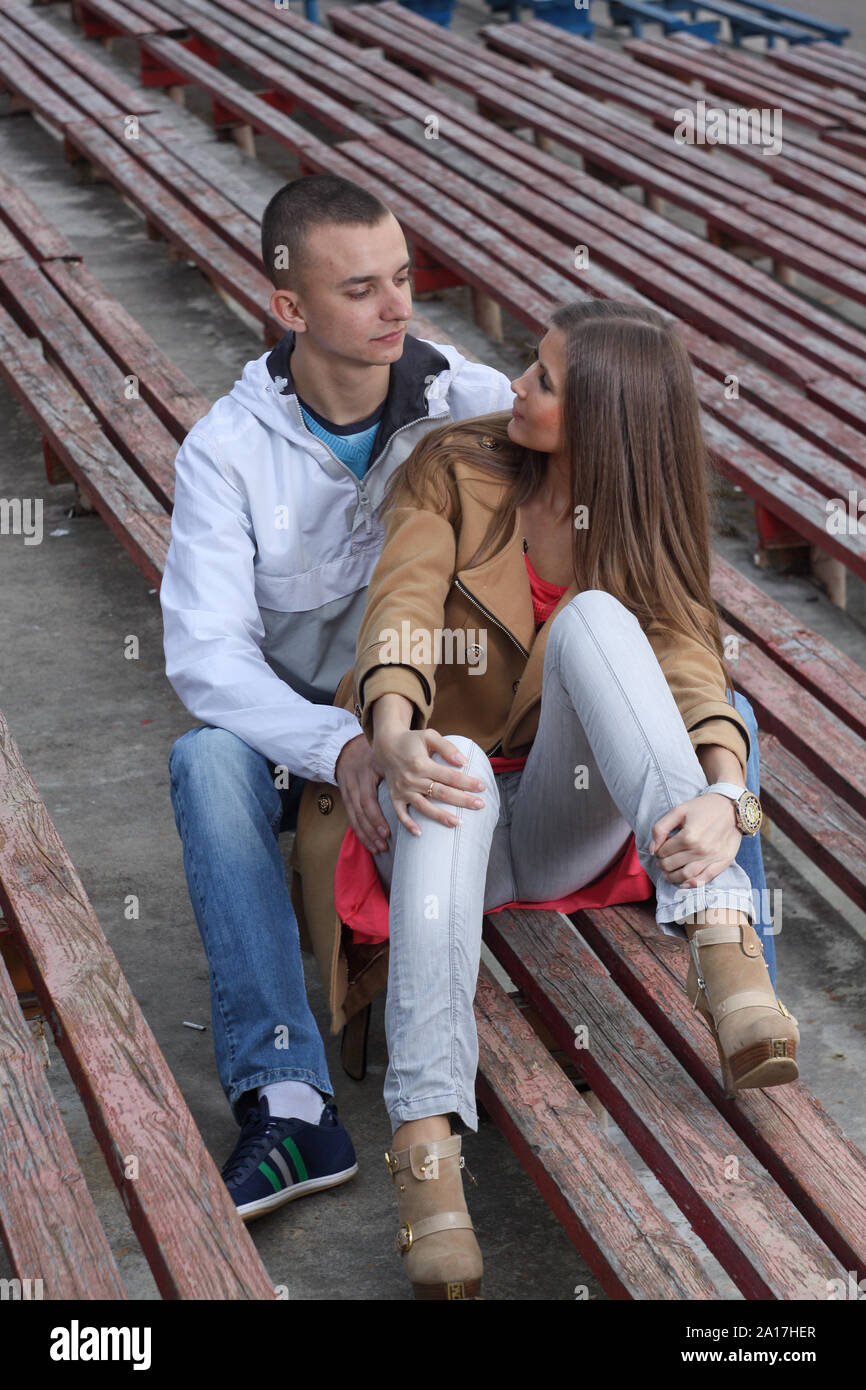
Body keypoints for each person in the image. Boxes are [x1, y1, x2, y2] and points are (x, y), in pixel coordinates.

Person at [328, 299, 800, 1299]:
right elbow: (403, 600)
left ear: (602, 420)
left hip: (552, 817)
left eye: (541, 380)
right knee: (453, 754)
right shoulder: (452, 466)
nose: (514, 387)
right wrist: (392, 729)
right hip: (435, 808)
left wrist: (726, 795)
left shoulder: (637, 517)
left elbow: (684, 663)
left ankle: (719, 936)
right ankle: (425, 1148)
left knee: (598, 617)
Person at [160, 173, 515, 1220]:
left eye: (403, 278)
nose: (397, 308)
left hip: (442, 717)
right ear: (288, 308)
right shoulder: (227, 450)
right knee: (204, 757)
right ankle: (289, 1101)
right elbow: (209, 662)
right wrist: (340, 744)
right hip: (300, 730)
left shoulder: (470, 400)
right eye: (360, 290)